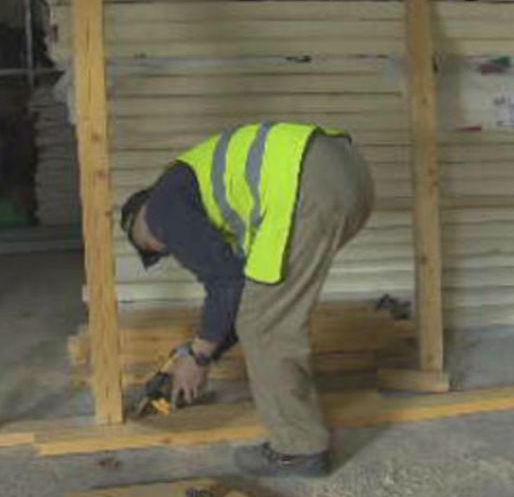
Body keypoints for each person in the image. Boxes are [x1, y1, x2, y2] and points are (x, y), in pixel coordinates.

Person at [120, 122, 373, 477]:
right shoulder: (205, 195)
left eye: (153, 248)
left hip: (309, 180)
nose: (165, 248)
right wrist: (201, 352)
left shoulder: (160, 209)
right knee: (263, 314)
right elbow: (241, 293)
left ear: (139, 221)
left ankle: (298, 449)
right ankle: (299, 441)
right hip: (346, 172)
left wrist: (199, 356)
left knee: (266, 324)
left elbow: (224, 283)